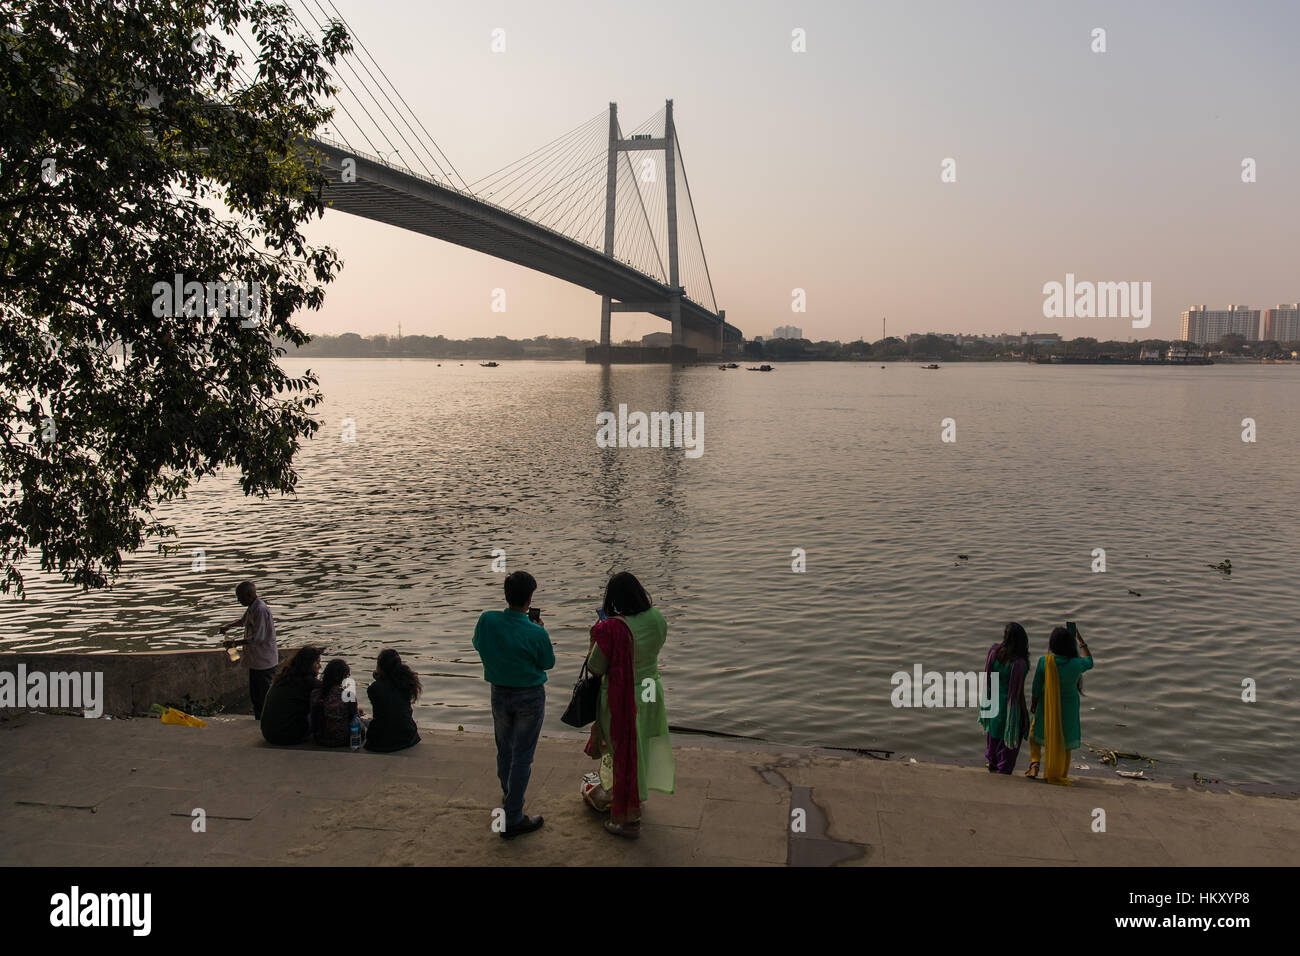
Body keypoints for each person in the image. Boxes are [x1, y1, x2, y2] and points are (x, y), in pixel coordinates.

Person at [582, 571, 675, 839]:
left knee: (622, 752)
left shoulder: (613, 628)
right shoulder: (657, 617)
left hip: (624, 696)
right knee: (641, 745)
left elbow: (595, 667)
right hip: (650, 689)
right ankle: (637, 798)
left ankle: (626, 819)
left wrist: (594, 640)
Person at [472, 570, 554, 839]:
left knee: (504, 748)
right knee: (523, 756)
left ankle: (509, 793)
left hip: (499, 693)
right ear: (530, 599)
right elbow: (547, 663)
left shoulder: (487, 620)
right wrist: (539, 631)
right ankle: (514, 816)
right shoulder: (535, 632)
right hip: (529, 696)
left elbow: (477, 644)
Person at [1026, 625, 1095, 784]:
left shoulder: (1045, 661)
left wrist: (1034, 704)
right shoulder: (1076, 664)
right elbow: (1090, 661)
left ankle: (1035, 762)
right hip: (1069, 708)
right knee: (1065, 741)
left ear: (1052, 645)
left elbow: (1036, 686)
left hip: (1047, 705)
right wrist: (1080, 640)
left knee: (1035, 734)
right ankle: (1060, 773)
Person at [219, 581, 278, 720]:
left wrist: (235, 643)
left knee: (263, 695)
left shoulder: (261, 610)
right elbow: (243, 621)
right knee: (255, 695)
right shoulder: (252, 607)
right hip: (255, 661)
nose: (238, 601)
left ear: (250, 595)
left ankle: (265, 720)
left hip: (264, 661)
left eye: (240, 598)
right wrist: (229, 626)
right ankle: (259, 718)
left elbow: (258, 638)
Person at [978, 622, 1030, 774]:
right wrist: (1025, 716)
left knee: (993, 735)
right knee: (1009, 739)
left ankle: (992, 763)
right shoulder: (1019, 664)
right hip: (1009, 707)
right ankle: (1003, 769)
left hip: (993, 703)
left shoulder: (994, 653)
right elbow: (1018, 693)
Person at [260, 646, 322, 745]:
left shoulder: (284, 677)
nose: (320, 666)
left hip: (268, 733)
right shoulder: (308, 682)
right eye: (317, 663)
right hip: (288, 735)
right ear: (308, 664)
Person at [363, 649, 422, 753]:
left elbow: (382, 709)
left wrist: (377, 679)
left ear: (380, 667)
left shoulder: (374, 689)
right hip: (408, 736)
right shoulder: (407, 683)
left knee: (362, 722)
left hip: (382, 743)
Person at [311, 659, 367, 748]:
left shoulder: (315, 693)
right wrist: (357, 713)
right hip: (342, 740)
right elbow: (353, 717)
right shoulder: (348, 695)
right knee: (365, 722)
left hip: (320, 738)